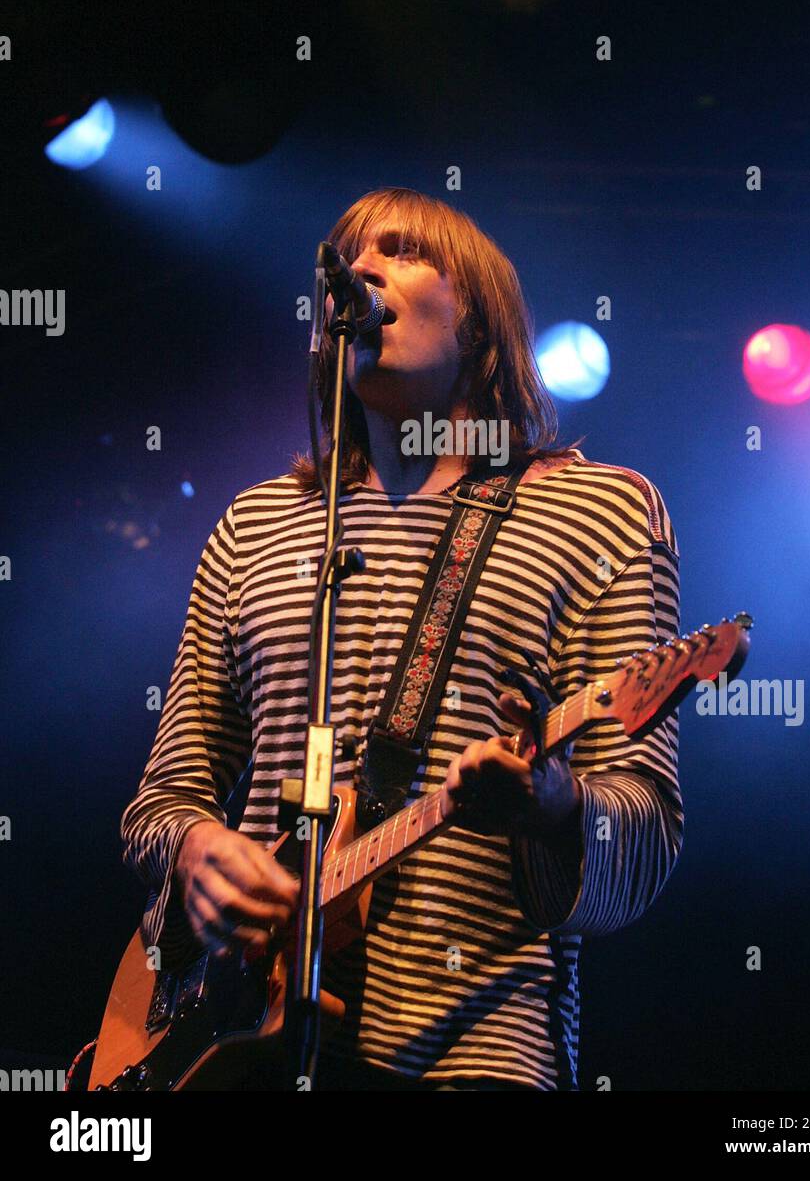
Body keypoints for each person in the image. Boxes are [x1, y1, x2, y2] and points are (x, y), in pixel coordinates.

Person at [120, 186, 683, 1091]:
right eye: (347, 256)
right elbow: (164, 800)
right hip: (232, 1044)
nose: (363, 269)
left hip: (473, 1051)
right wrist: (198, 854)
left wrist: (552, 803)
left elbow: (646, 837)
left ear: (483, 324)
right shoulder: (254, 526)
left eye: (402, 251)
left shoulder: (599, 510)